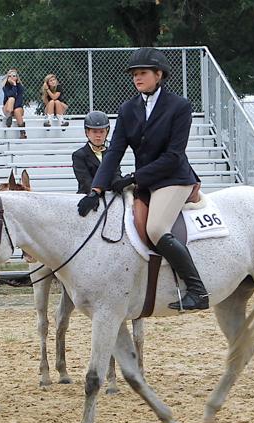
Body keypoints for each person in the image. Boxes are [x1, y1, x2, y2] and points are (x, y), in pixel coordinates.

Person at [77, 47, 207, 311]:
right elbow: (114, 152)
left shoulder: (179, 106)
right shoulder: (127, 109)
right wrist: (96, 190)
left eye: (143, 73)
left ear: (159, 75)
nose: (137, 78)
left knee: (156, 229)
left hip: (174, 178)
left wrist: (134, 177)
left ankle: (197, 290)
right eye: (134, 74)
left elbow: (173, 155)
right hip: (145, 182)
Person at [71, 110, 121, 194]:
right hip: (89, 196)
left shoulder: (112, 153)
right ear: (87, 132)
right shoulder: (79, 155)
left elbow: (116, 175)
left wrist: (119, 185)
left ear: (107, 132)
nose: (98, 135)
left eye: (102, 132)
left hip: (109, 197)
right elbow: (86, 181)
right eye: (94, 132)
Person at [1, 68, 27, 139]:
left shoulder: (20, 87)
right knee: (11, 98)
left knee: (17, 111)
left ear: (17, 77)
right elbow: (11, 94)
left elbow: (19, 101)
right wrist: (13, 85)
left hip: (17, 108)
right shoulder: (5, 87)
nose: (12, 77)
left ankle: (22, 132)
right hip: (7, 109)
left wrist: (15, 85)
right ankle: (9, 116)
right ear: (7, 77)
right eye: (10, 76)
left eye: (14, 76)